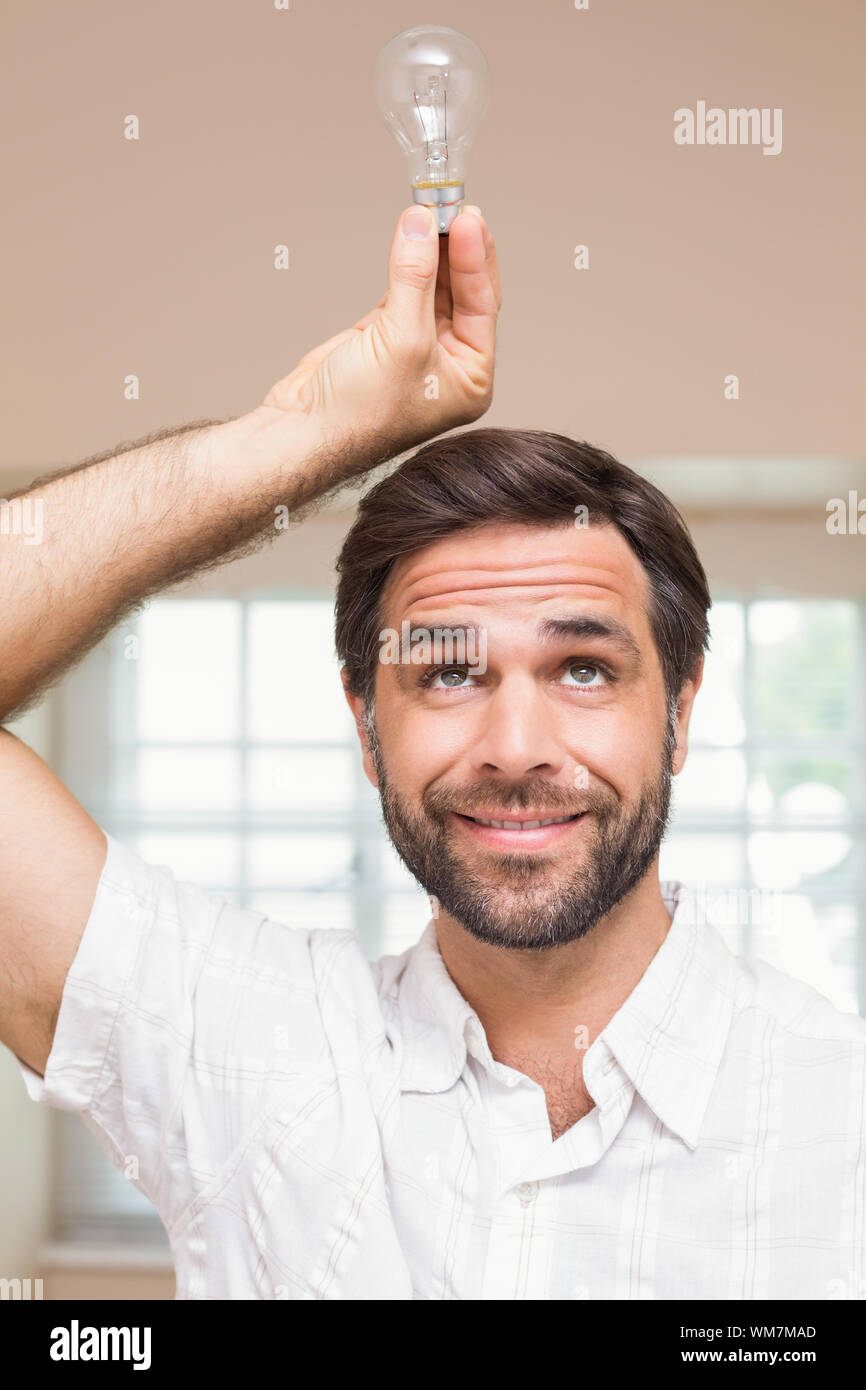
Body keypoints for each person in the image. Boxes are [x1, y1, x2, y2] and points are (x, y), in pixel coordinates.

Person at [1, 204, 863, 1302]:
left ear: (680, 710)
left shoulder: (842, 1127)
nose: (514, 747)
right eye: (447, 671)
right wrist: (297, 436)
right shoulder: (246, 1054)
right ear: (366, 723)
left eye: (584, 669)